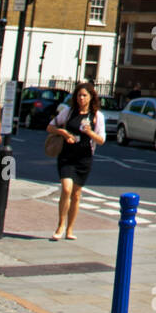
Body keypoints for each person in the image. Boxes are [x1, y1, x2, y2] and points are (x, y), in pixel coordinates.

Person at [47, 82, 106, 240]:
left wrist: (90, 132)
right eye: (79, 95)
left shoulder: (97, 116)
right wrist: (64, 133)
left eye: (85, 95)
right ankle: (60, 225)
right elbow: (50, 127)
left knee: (77, 194)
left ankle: (70, 229)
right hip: (67, 155)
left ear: (91, 97)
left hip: (84, 158)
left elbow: (101, 140)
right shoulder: (68, 112)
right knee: (66, 189)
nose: (81, 98)